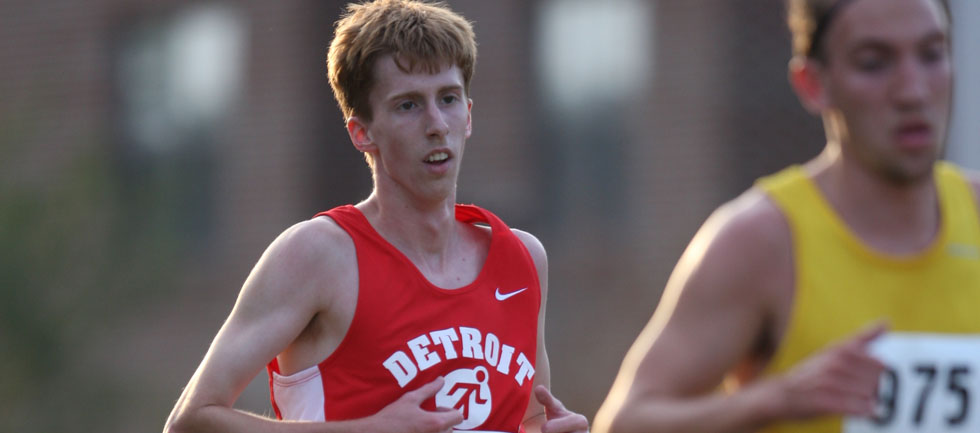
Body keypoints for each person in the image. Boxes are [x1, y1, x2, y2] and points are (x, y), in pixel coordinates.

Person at [164, 1, 589, 432]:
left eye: (448, 99)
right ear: (362, 133)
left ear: (469, 116)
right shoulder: (317, 254)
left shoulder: (522, 258)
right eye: (408, 105)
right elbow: (191, 421)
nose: (437, 124)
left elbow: (528, 419)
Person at [594, 0, 980, 432]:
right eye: (874, 63)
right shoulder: (761, 239)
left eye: (931, 54)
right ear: (813, 84)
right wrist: (777, 398)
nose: (912, 90)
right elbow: (624, 422)